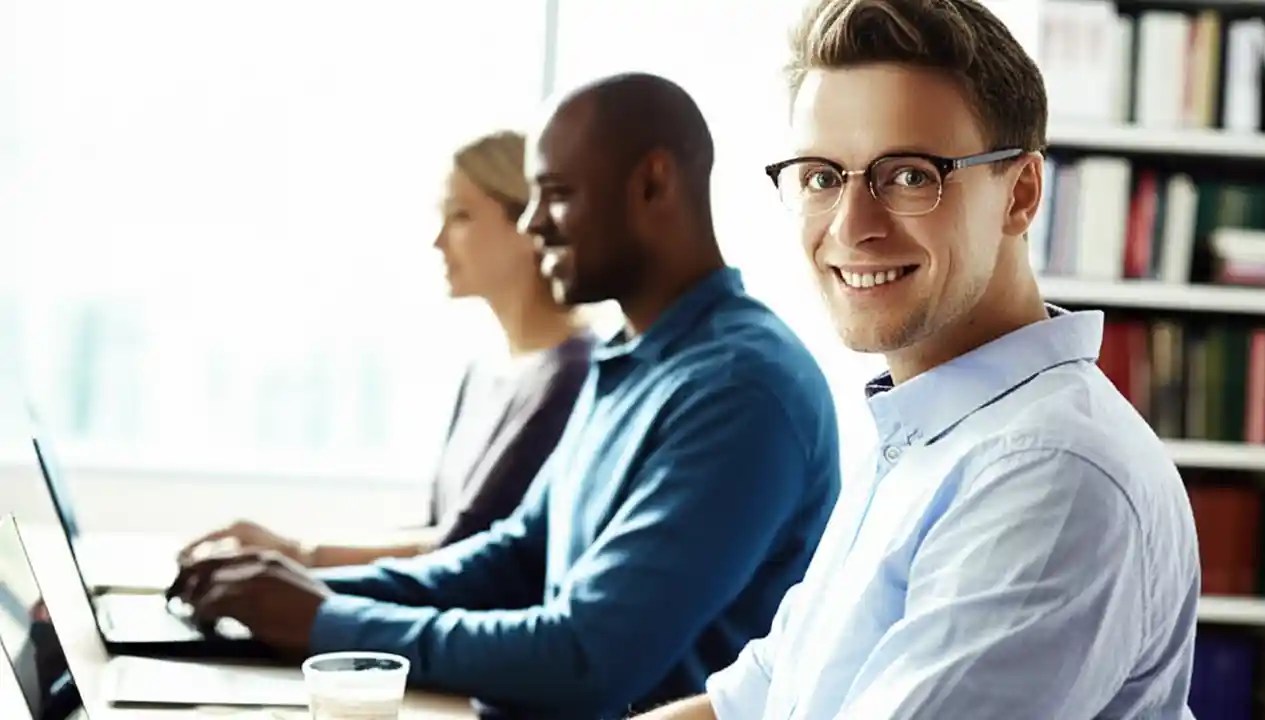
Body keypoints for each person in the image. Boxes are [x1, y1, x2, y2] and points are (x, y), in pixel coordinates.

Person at [167, 73, 842, 720]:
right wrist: (287, 592)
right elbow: (515, 558)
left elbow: (586, 657)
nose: (534, 223)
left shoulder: (743, 388)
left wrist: (324, 618)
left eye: (556, 194)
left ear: (652, 183)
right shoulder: (630, 358)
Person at [638, 1, 1200, 719]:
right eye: (821, 177)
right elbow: (755, 699)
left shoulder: (1049, 472)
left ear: (1021, 194)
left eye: (908, 175)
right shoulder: (922, 433)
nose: (852, 227)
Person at [176, 130, 595, 569]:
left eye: (460, 216)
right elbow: (437, 530)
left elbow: (460, 546)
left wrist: (298, 556)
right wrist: (287, 556)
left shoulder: (572, 373)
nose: (438, 241)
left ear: (529, 223)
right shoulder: (485, 371)